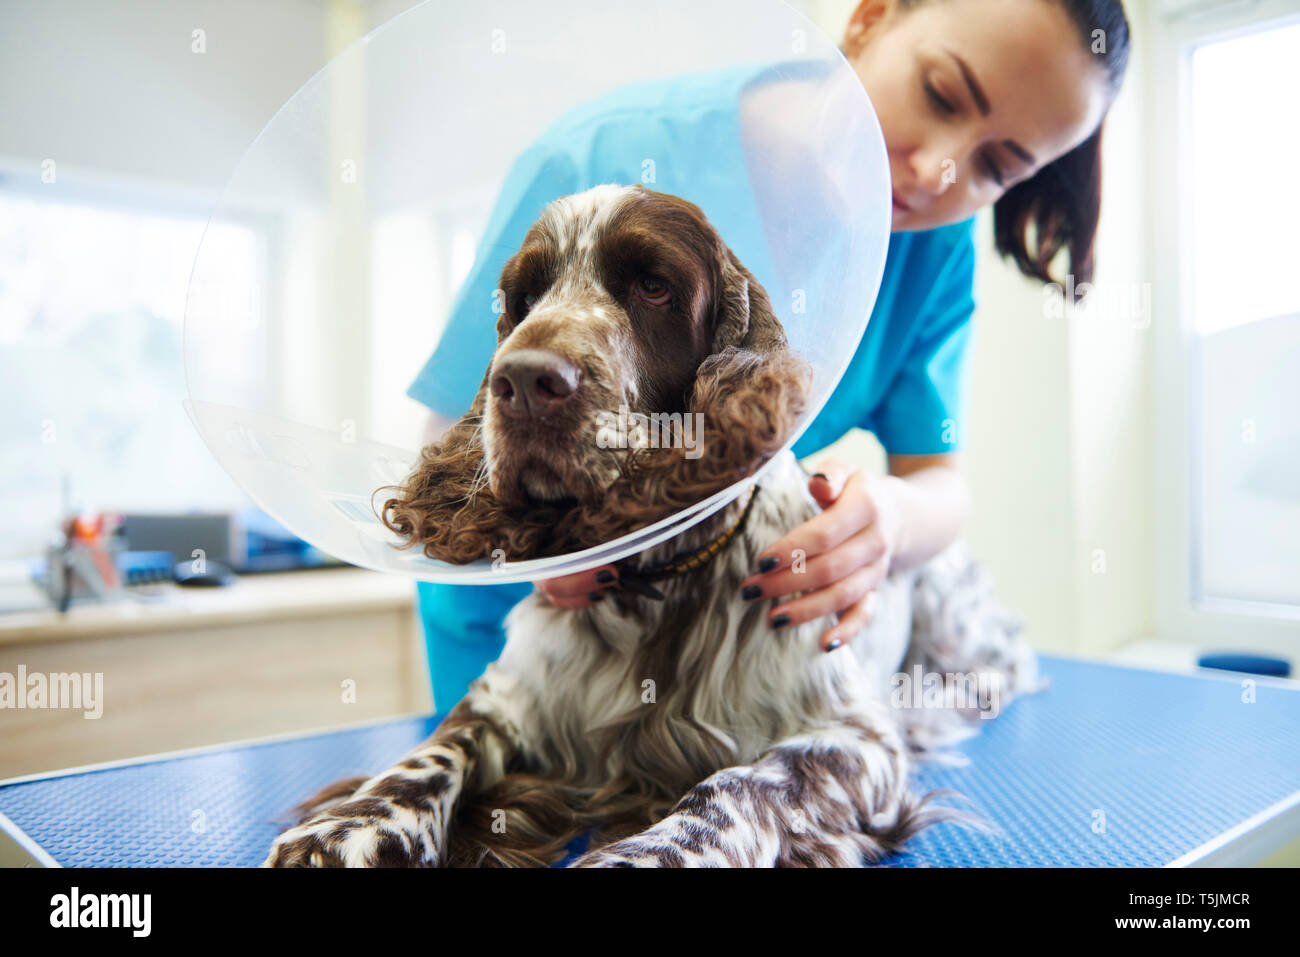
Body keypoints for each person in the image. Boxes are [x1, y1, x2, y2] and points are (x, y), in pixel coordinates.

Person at [406, 0, 1131, 712]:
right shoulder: (596, 155)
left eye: (997, 167)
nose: (938, 170)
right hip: (519, 635)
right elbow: (453, 439)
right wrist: (538, 554)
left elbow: (939, 477)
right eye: (940, 94)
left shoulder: (932, 250)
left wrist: (889, 518)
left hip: (703, 650)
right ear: (871, 17)